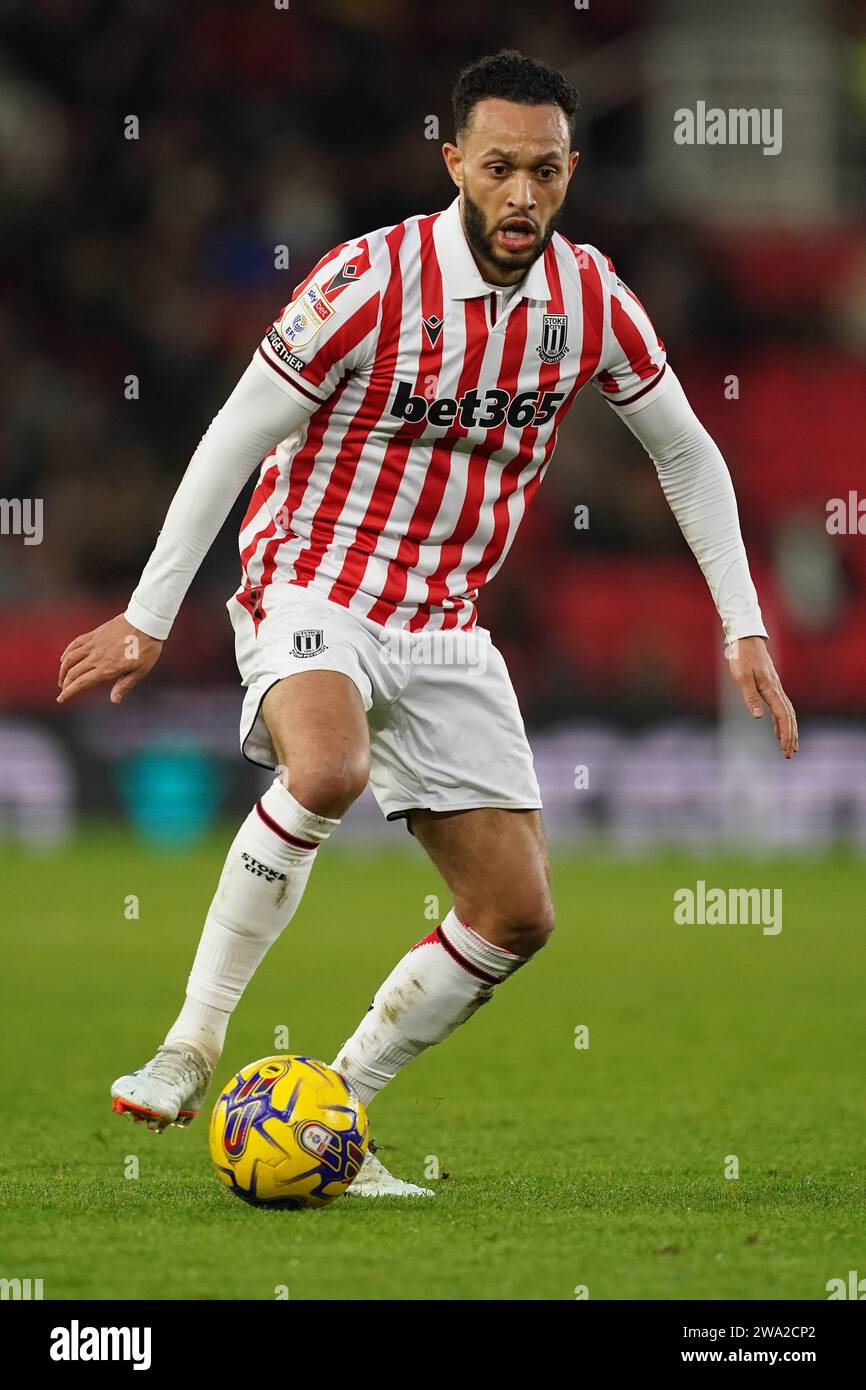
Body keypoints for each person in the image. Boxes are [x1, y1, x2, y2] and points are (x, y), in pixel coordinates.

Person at [57, 49, 798, 1197]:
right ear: (451, 159)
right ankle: (190, 1044)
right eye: (497, 167)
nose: (520, 196)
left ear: (569, 172)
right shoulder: (368, 280)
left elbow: (686, 453)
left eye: (542, 172)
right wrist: (150, 615)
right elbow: (236, 432)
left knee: (514, 912)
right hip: (313, 579)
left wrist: (741, 624)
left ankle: (333, 1115)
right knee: (329, 766)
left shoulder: (591, 297)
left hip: (443, 619)